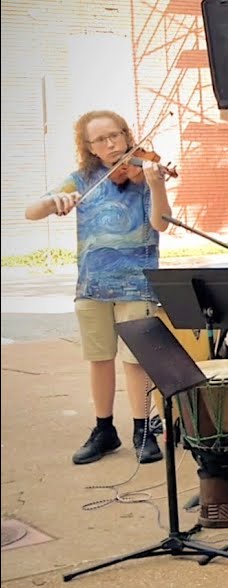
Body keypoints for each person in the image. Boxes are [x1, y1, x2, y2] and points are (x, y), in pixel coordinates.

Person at [24, 109, 172, 465]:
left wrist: (157, 185)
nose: (110, 144)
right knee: (99, 359)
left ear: (125, 135)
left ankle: (142, 429)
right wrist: (52, 201)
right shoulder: (81, 178)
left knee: (136, 360)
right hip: (92, 285)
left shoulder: (143, 174)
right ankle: (104, 430)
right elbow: (31, 212)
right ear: (89, 146)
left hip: (137, 283)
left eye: (115, 135)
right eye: (101, 139)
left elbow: (161, 224)